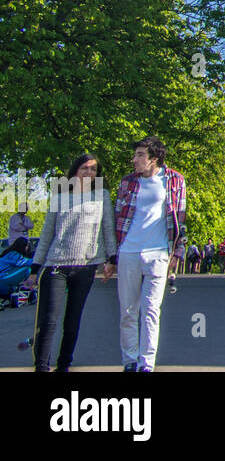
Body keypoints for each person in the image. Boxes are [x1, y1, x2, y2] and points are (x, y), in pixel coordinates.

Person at [25, 154, 116, 371]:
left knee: (72, 321)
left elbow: (108, 230)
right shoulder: (60, 197)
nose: (89, 172)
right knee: (48, 322)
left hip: (85, 267)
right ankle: (42, 366)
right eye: (85, 168)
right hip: (56, 265)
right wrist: (34, 269)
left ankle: (64, 364)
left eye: (93, 169)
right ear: (75, 171)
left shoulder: (101, 196)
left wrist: (112, 259)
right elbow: (47, 234)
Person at [114, 135, 187, 372]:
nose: (134, 159)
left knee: (151, 311)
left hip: (158, 253)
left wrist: (178, 251)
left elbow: (181, 218)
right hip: (129, 251)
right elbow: (117, 217)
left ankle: (147, 364)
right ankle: (130, 361)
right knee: (128, 311)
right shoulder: (127, 182)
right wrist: (112, 256)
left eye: (140, 155)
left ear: (154, 158)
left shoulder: (175, 180)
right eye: (135, 154)